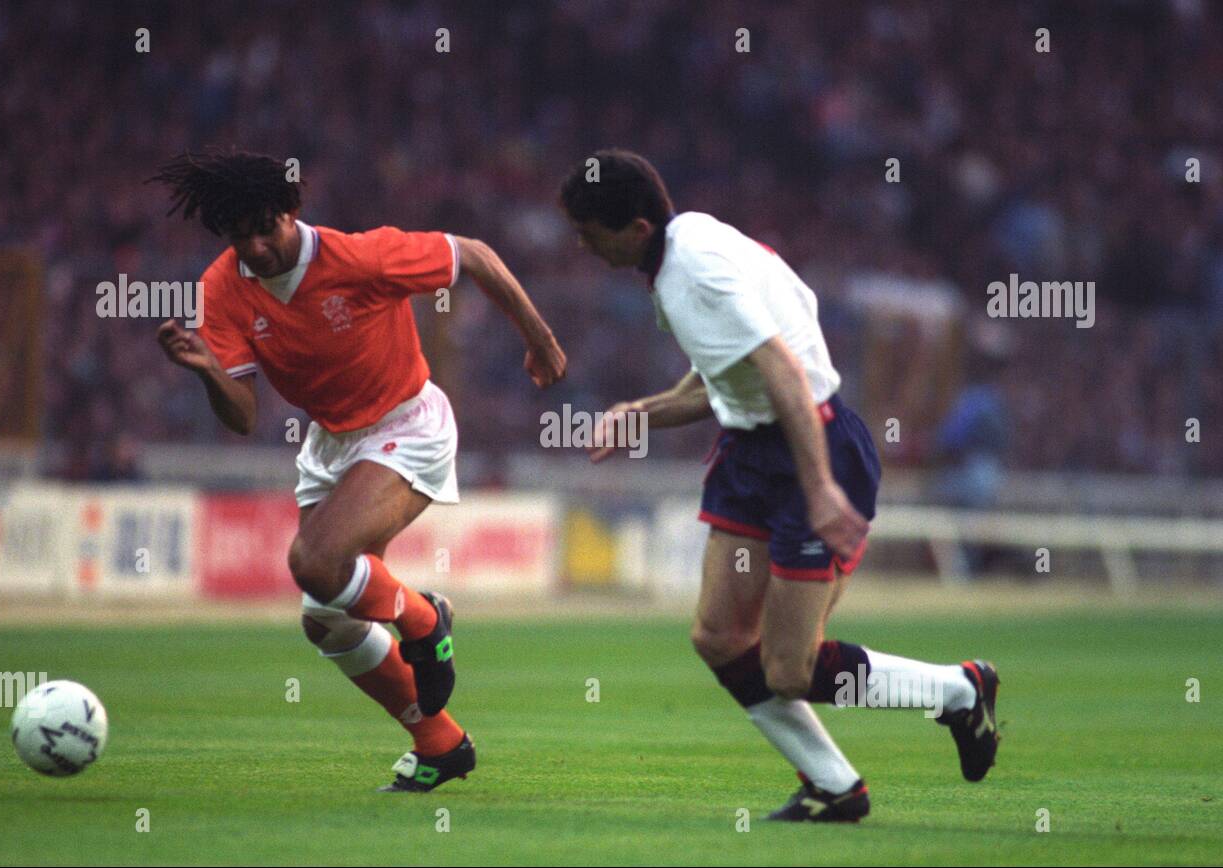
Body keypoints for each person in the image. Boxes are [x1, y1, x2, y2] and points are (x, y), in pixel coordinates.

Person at [562, 149, 999, 821]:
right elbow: (725, 370)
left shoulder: (692, 277)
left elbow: (783, 373)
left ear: (636, 228)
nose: (582, 244)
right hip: (751, 451)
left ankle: (959, 691)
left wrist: (820, 488)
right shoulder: (692, 237)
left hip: (811, 442)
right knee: (717, 637)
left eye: (590, 230)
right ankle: (834, 785)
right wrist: (641, 414)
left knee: (789, 668)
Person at [152, 150, 566, 792]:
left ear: (292, 210)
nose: (257, 247)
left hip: (407, 423)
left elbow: (475, 255)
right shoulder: (221, 288)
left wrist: (538, 338)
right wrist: (209, 371)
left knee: (313, 563)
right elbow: (240, 417)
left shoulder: (361, 258)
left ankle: (424, 620)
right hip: (332, 443)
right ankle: (442, 743)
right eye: (241, 237)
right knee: (327, 619)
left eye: (268, 227)